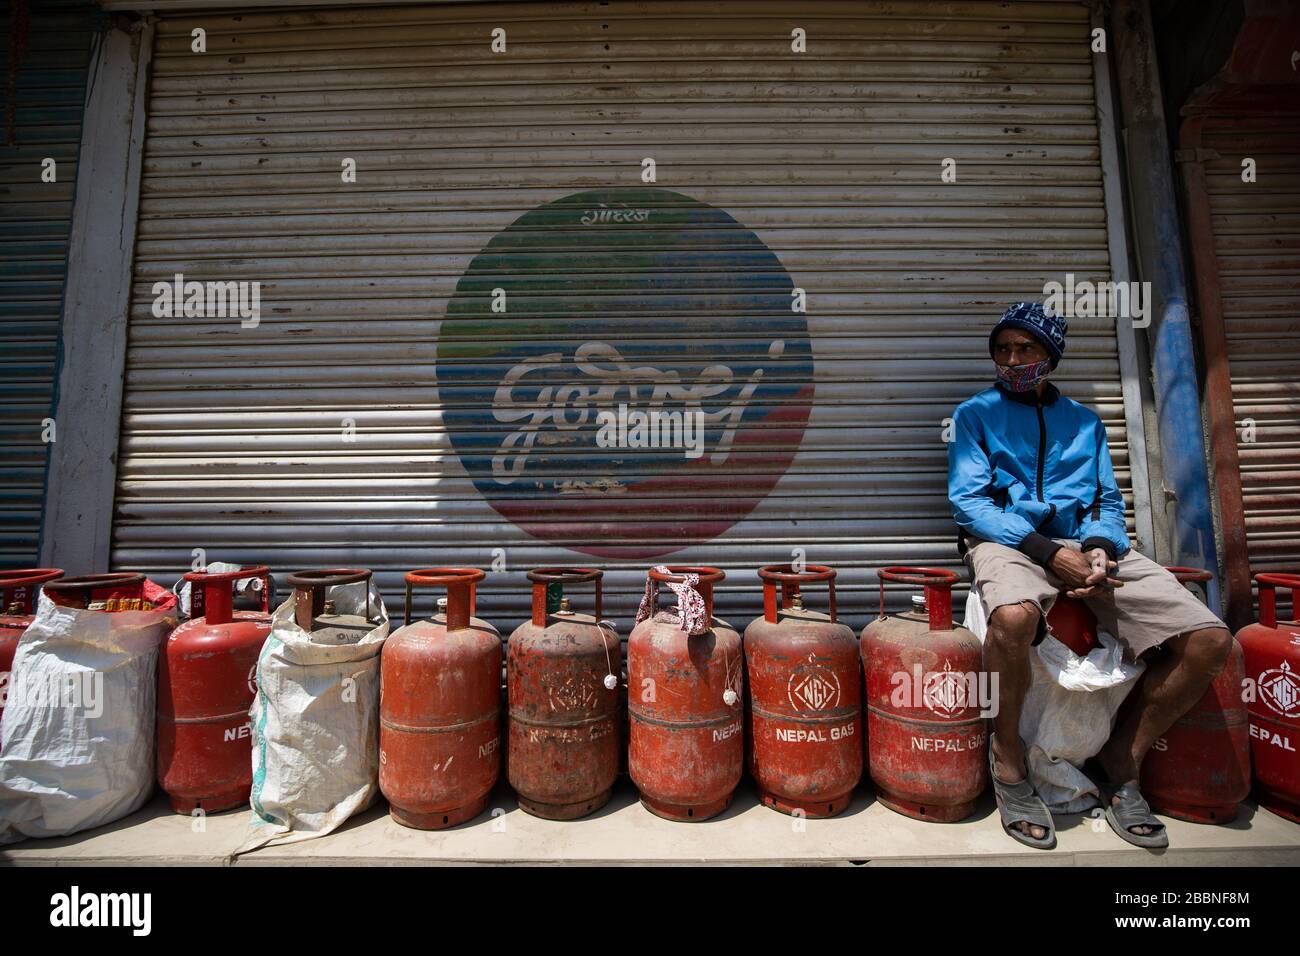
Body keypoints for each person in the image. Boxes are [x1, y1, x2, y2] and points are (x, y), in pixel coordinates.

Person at [947, 301, 1233, 850]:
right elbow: (969, 504)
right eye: (1002, 349)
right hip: (1008, 540)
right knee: (1011, 619)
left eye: (1025, 348)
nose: (1012, 359)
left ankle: (1122, 762)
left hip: (1086, 544)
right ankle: (1009, 763)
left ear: (1050, 356)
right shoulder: (974, 415)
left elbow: (1106, 499)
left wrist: (1100, 548)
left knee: (1207, 640)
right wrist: (1045, 551)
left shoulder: (1084, 422)